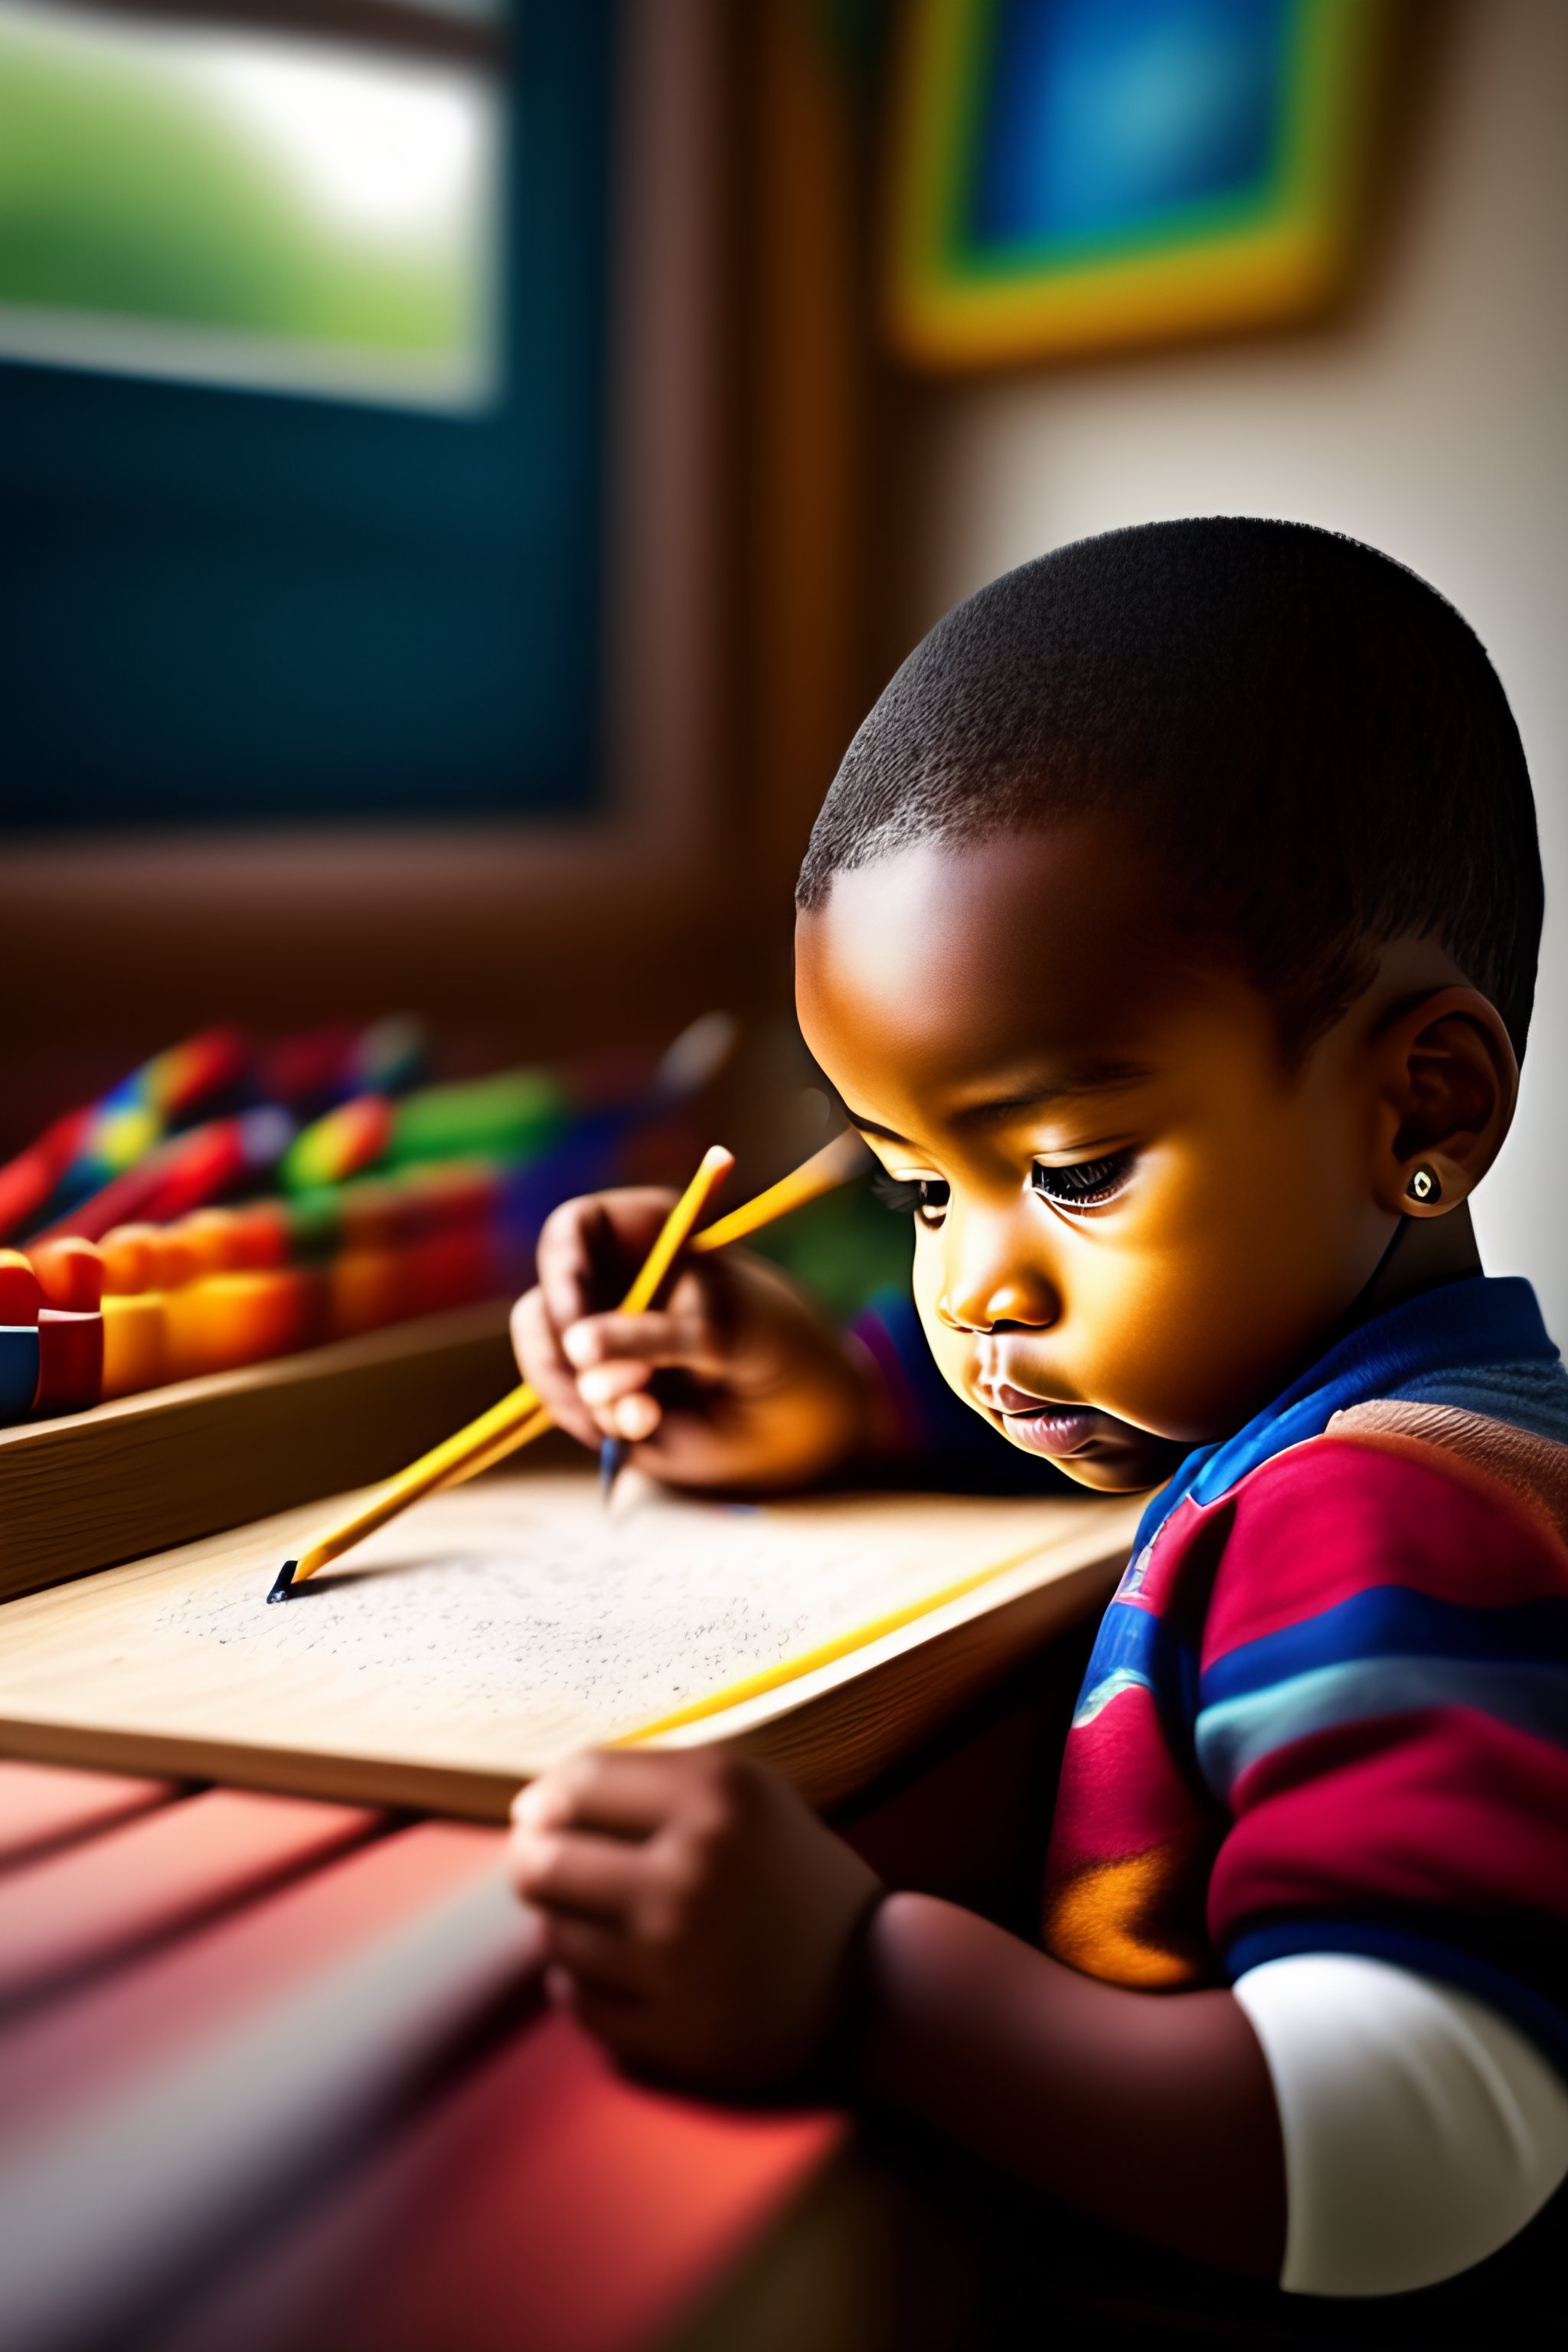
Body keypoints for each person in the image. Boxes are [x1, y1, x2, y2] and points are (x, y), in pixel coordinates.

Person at [508, 521, 1568, 2300]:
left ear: (1423, 1108)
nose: (973, 1288)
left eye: (1069, 1169)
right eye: (921, 1189)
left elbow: (1428, 2139)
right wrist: (817, 1404)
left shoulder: (1378, 1527)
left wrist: (858, 1979)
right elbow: (1155, 1450)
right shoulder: (1404, 1418)